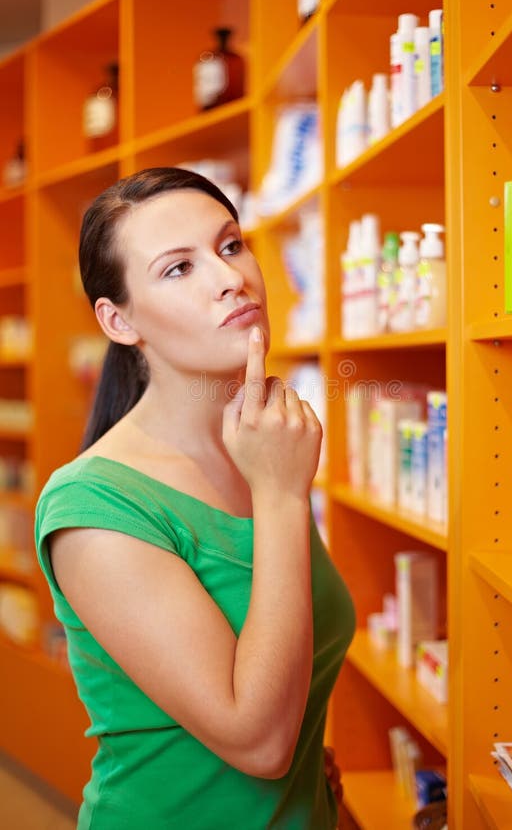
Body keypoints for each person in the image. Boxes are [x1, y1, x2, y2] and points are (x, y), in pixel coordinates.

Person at [34, 167, 356, 829]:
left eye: (231, 245)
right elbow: (261, 743)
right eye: (178, 268)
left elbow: (290, 683)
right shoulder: (93, 505)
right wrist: (283, 499)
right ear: (119, 320)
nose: (229, 277)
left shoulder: (260, 448)